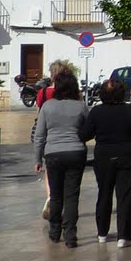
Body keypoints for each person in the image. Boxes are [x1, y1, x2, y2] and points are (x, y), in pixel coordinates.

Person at [82, 79, 131, 248]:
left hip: (103, 155)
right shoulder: (130, 110)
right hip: (126, 154)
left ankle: (102, 233)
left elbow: (86, 134)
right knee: (124, 196)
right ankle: (123, 236)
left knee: (104, 193)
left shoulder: (97, 111)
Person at [33, 71, 87, 247]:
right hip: (76, 152)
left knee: (56, 195)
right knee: (72, 196)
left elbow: (39, 135)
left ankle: (55, 231)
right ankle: (70, 235)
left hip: (53, 154)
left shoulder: (47, 106)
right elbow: (88, 130)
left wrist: (37, 159)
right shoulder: (81, 106)